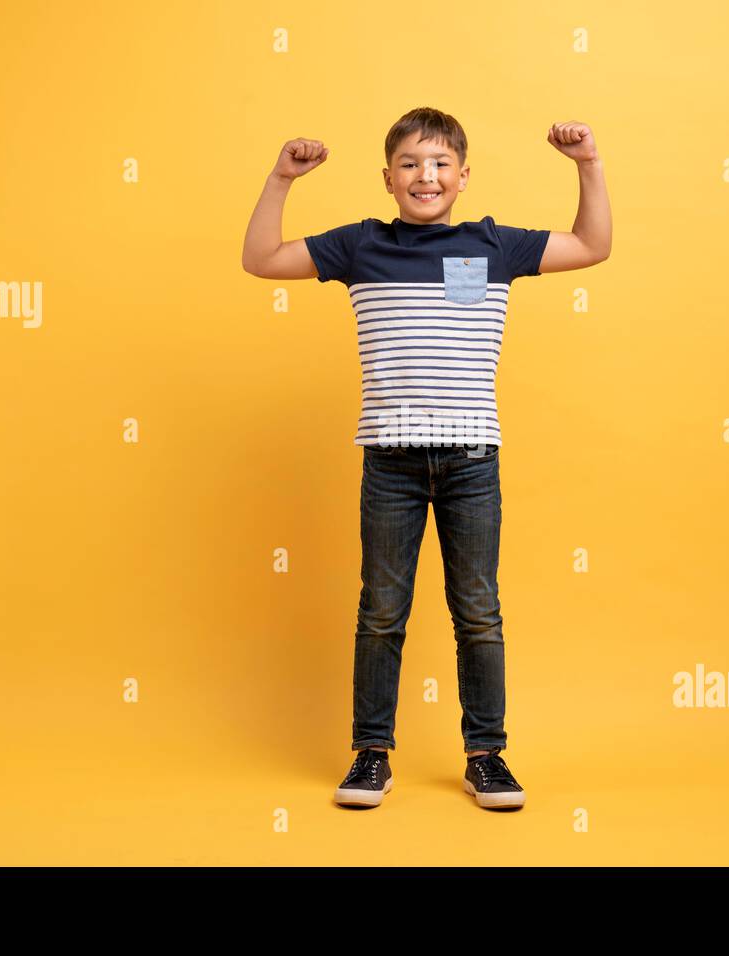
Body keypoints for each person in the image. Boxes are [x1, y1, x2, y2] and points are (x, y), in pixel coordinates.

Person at [241, 106, 612, 810]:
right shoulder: (360, 247)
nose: (425, 175)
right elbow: (260, 259)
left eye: (440, 163)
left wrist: (587, 163)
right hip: (391, 462)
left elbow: (593, 246)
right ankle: (371, 754)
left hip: (472, 459)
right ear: (387, 178)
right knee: (382, 611)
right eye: (410, 164)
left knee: (478, 611)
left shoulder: (494, 247)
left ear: (463, 177)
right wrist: (282, 178)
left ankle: (487, 756)